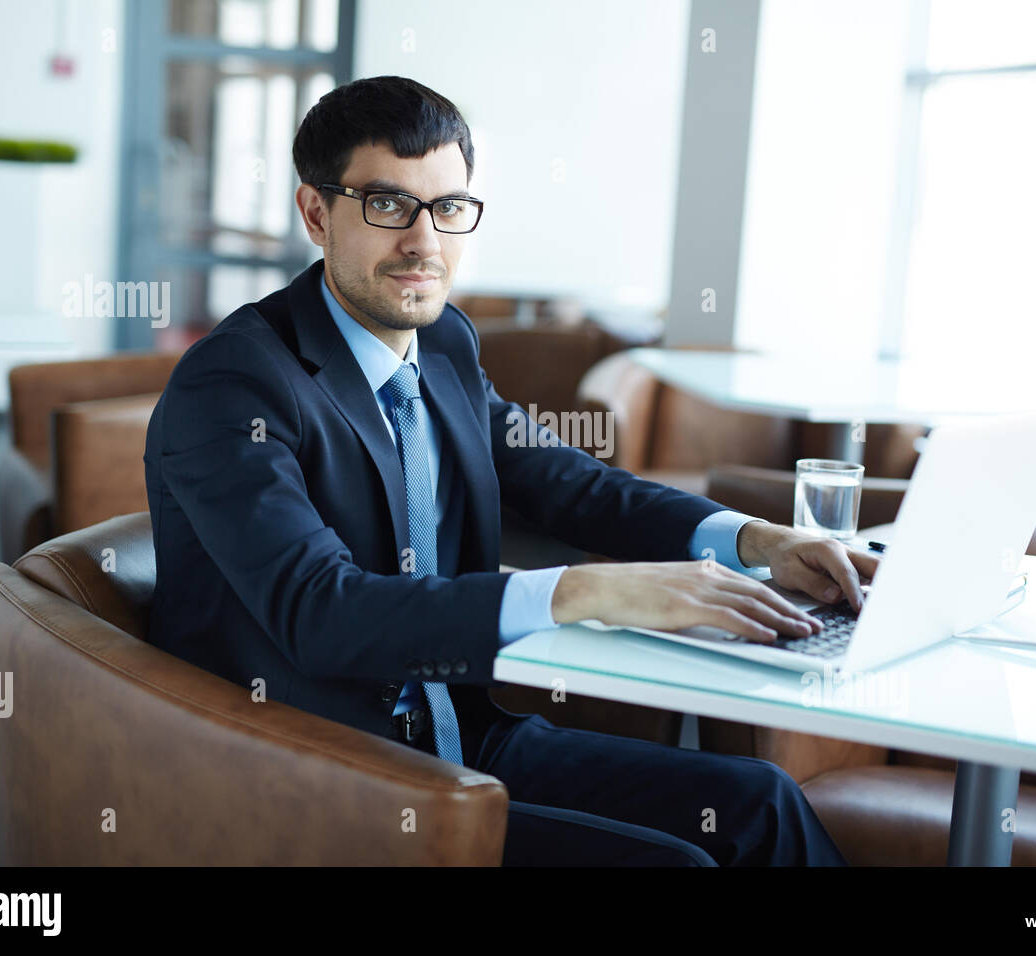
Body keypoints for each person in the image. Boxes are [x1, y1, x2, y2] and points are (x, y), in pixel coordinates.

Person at [144, 75, 877, 866]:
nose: (424, 242)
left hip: (462, 735)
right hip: (319, 774)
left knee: (761, 801)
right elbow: (320, 614)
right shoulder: (233, 384)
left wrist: (755, 540)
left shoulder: (448, 346)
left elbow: (571, 483)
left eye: (449, 208)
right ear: (317, 214)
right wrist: (580, 591)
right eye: (388, 204)